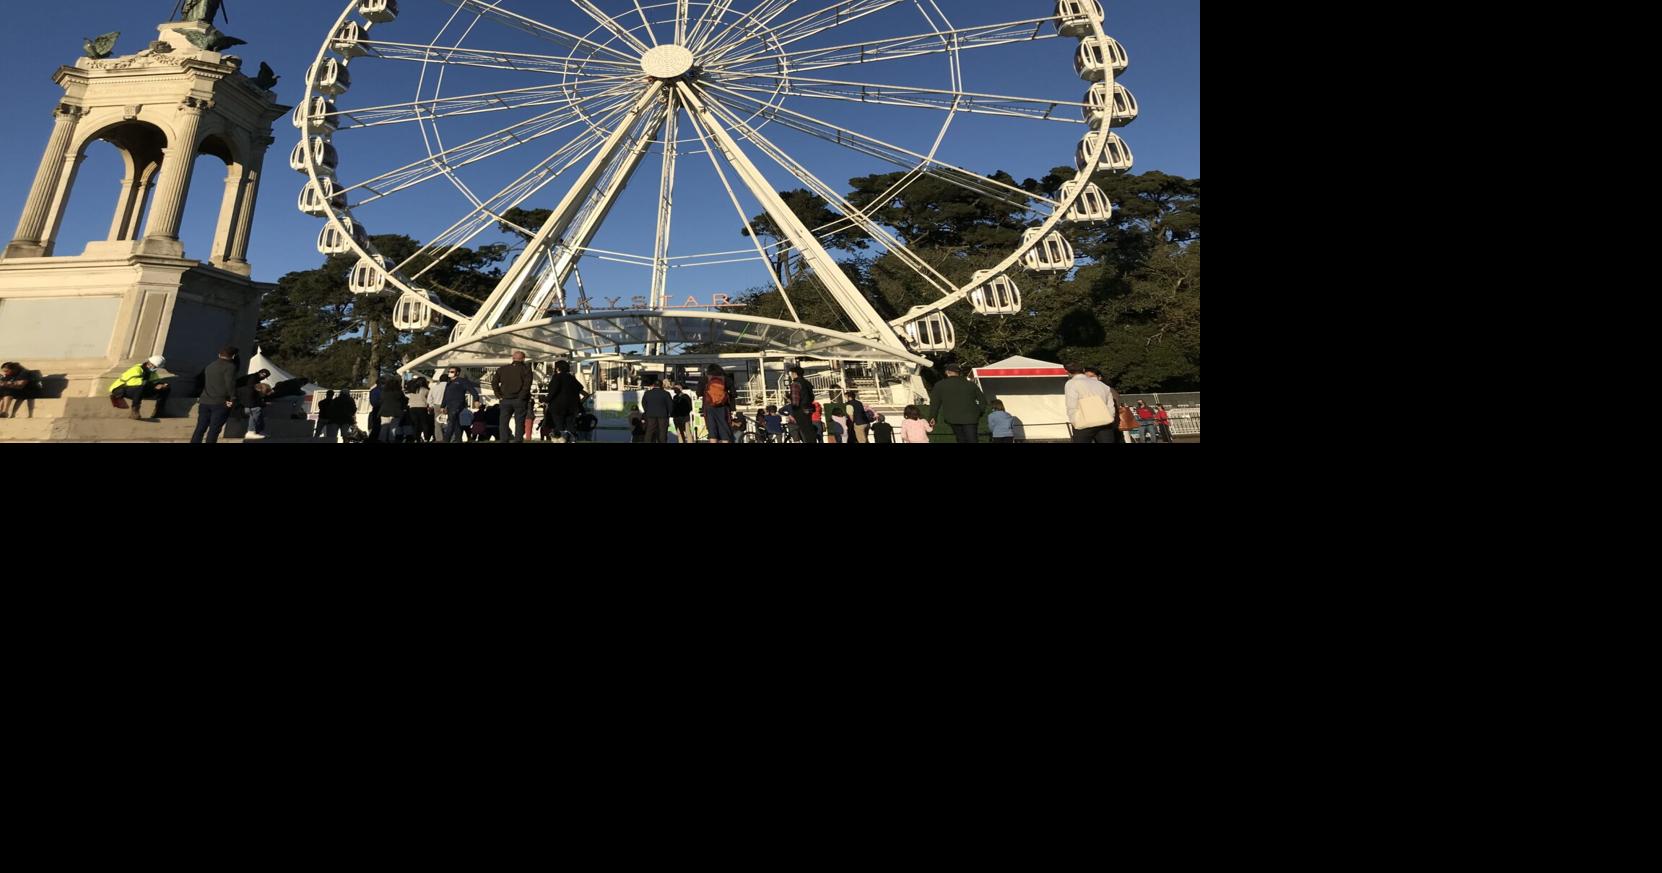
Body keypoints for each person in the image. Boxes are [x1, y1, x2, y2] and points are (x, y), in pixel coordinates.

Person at [190, 346, 237, 443]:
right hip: (220, 402)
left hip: (205, 400)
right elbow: (230, 384)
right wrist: (232, 398)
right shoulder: (230, 367)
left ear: (219, 355)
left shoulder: (210, 365)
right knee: (214, 429)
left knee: (200, 427)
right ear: (233, 356)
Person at [927, 364, 984, 443]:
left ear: (947, 372)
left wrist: (932, 417)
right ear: (959, 373)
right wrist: (979, 412)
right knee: (972, 439)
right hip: (971, 417)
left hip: (952, 417)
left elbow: (935, 404)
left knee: (961, 439)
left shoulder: (940, 385)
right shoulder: (971, 384)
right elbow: (983, 400)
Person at [1065, 364, 1117, 444]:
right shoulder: (1102, 384)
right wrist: (1110, 417)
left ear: (1067, 372)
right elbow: (1110, 404)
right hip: (1105, 422)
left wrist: (1074, 421)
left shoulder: (1071, 383)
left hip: (1084, 423)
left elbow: (1071, 405)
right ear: (1083, 370)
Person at [108, 355, 171, 421]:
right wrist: (153, 386)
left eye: (156, 367)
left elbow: (155, 381)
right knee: (140, 387)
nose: (155, 368)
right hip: (120, 389)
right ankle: (135, 411)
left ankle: (159, 412)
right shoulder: (137, 369)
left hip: (137, 390)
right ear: (149, 363)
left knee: (165, 389)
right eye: (155, 366)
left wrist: (162, 385)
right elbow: (133, 383)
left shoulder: (152, 373)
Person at [492, 350, 533, 443]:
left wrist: (498, 395)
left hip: (505, 399)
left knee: (503, 421)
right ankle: (518, 440)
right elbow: (527, 385)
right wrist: (522, 396)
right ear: (523, 359)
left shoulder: (502, 369)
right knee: (519, 421)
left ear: (513, 358)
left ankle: (504, 439)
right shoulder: (526, 369)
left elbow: (494, 382)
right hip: (520, 400)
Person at [543, 359, 587, 442]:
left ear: (557, 368)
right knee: (570, 427)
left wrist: (545, 400)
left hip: (557, 407)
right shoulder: (571, 378)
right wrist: (579, 403)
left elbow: (553, 392)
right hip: (571, 408)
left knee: (559, 427)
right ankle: (572, 440)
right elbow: (584, 393)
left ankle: (561, 440)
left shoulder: (556, 377)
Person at [440, 366, 482, 443]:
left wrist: (476, 400)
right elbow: (445, 395)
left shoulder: (462, 381)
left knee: (451, 422)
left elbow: (472, 390)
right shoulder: (449, 382)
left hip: (458, 404)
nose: (450, 373)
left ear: (458, 373)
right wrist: (443, 406)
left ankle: (446, 440)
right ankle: (458, 440)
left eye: (452, 372)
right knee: (456, 423)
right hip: (450, 405)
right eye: (449, 371)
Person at [699, 363, 735, 443]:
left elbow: (698, 393)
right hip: (723, 407)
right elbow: (734, 394)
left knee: (712, 430)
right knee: (724, 429)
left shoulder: (704, 379)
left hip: (709, 407)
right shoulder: (726, 379)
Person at [787, 365, 817, 443]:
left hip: (800, 410)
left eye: (791, 373)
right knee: (809, 430)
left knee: (805, 431)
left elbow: (795, 400)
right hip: (809, 408)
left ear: (795, 373)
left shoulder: (795, 384)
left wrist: (791, 402)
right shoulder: (807, 383)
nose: (791, 375)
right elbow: (812, 397)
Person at [641, 373, 672, 443]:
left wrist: (647, 411)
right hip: (663, 416)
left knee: (649, 432)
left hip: (650, 415)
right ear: (661, 385)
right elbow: (670, 405)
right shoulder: (666, 393)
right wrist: (669, 413)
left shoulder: (647, 393)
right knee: (662, 432)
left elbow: (643, 403)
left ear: (654, 385)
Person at [377, 376, 407, 443]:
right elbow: (404, 401)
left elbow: (380, 401)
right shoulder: (399, 392)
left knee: (384, 427)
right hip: (396, 412)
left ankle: (382, 440)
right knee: (393, 428)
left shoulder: (383, 392)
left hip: (384, 411)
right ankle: (391, 440)